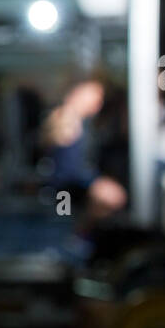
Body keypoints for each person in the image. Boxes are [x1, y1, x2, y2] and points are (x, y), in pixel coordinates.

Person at [40, 74, 127, 224]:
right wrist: (95, 183)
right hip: (65, 189)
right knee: (110, 196)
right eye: (95, 95)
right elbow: (68, 170)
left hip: (74, 184)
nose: (99, 102)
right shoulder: (67, 120)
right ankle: (81, 235)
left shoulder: (80, 121)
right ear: (79, 92)